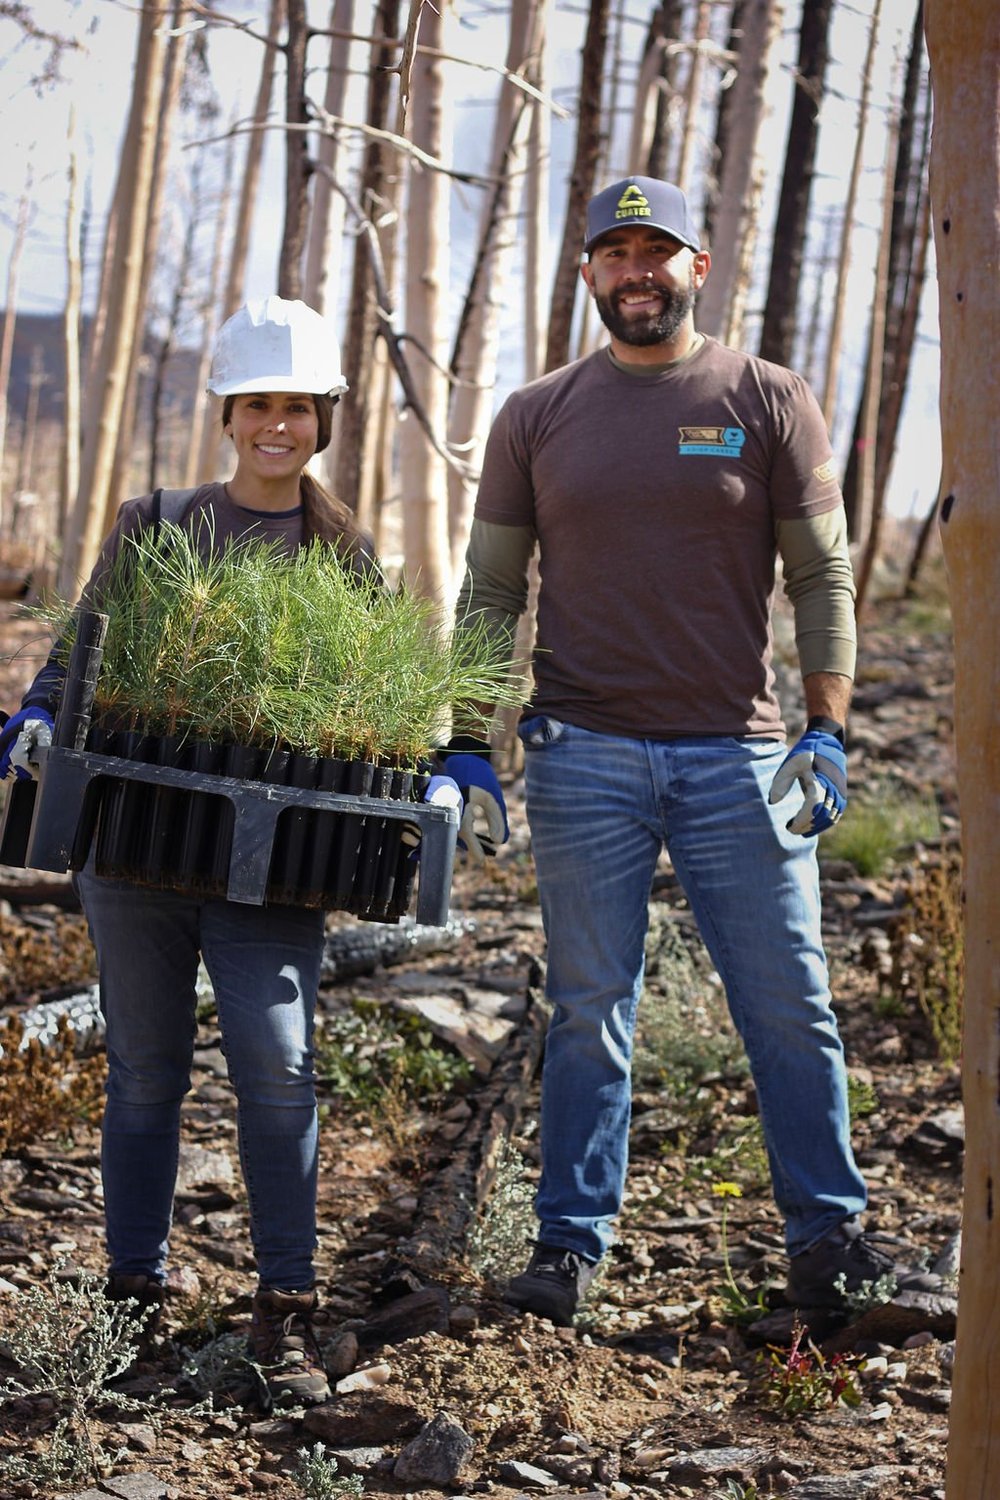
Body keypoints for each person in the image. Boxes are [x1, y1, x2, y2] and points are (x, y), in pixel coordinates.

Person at [449, 176, 910, 1328]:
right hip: (579, 754)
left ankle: (828, 1243)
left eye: (659, 251)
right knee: (589, 1007)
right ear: (588, 274)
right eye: (615, 252)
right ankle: (565, 1250)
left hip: (738, 761)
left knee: (789, 1002)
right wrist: (463, 742)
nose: (636, 271)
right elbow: (492, 591)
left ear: (698, 267)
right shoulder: (535, 414)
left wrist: (826, 727)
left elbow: (821, 574)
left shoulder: (765, 396)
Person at [0, 296, 379, 1406]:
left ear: (323, 419)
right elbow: (80, 653)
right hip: (136, 846)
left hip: (275, 862)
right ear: (228, 413)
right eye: (260, 405)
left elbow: (368, 706)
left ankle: (288, 1305)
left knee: (278, 1070)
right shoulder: (156, 522)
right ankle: (133, 1291)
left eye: (298, 409)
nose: (279, 426)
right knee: (144, 1073)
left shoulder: (343, 550)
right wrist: (30, 712)